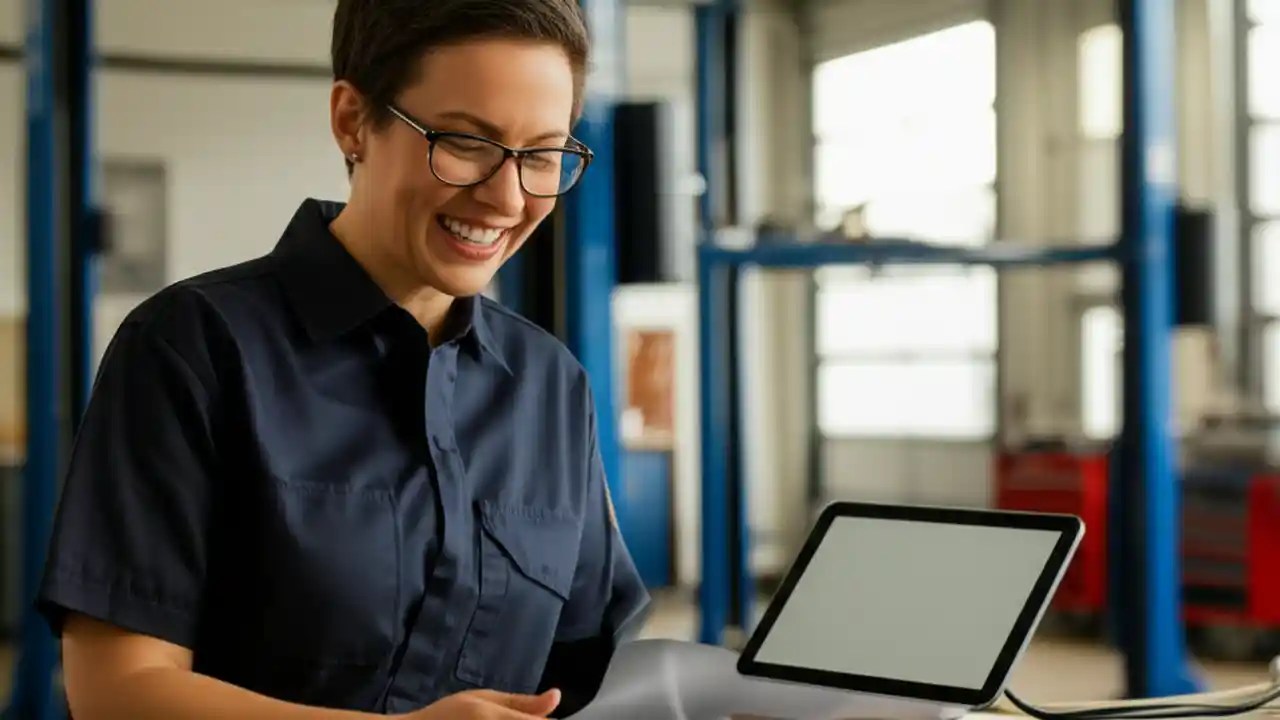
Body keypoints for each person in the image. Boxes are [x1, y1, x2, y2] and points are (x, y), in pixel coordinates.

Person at [35, 1, 651, 718]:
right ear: (353, 121)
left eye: (542, 155)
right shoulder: (193, 349)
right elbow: (117, 692)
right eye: (463, 143)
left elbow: (596, 666)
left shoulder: (548, 382)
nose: (507, 197)